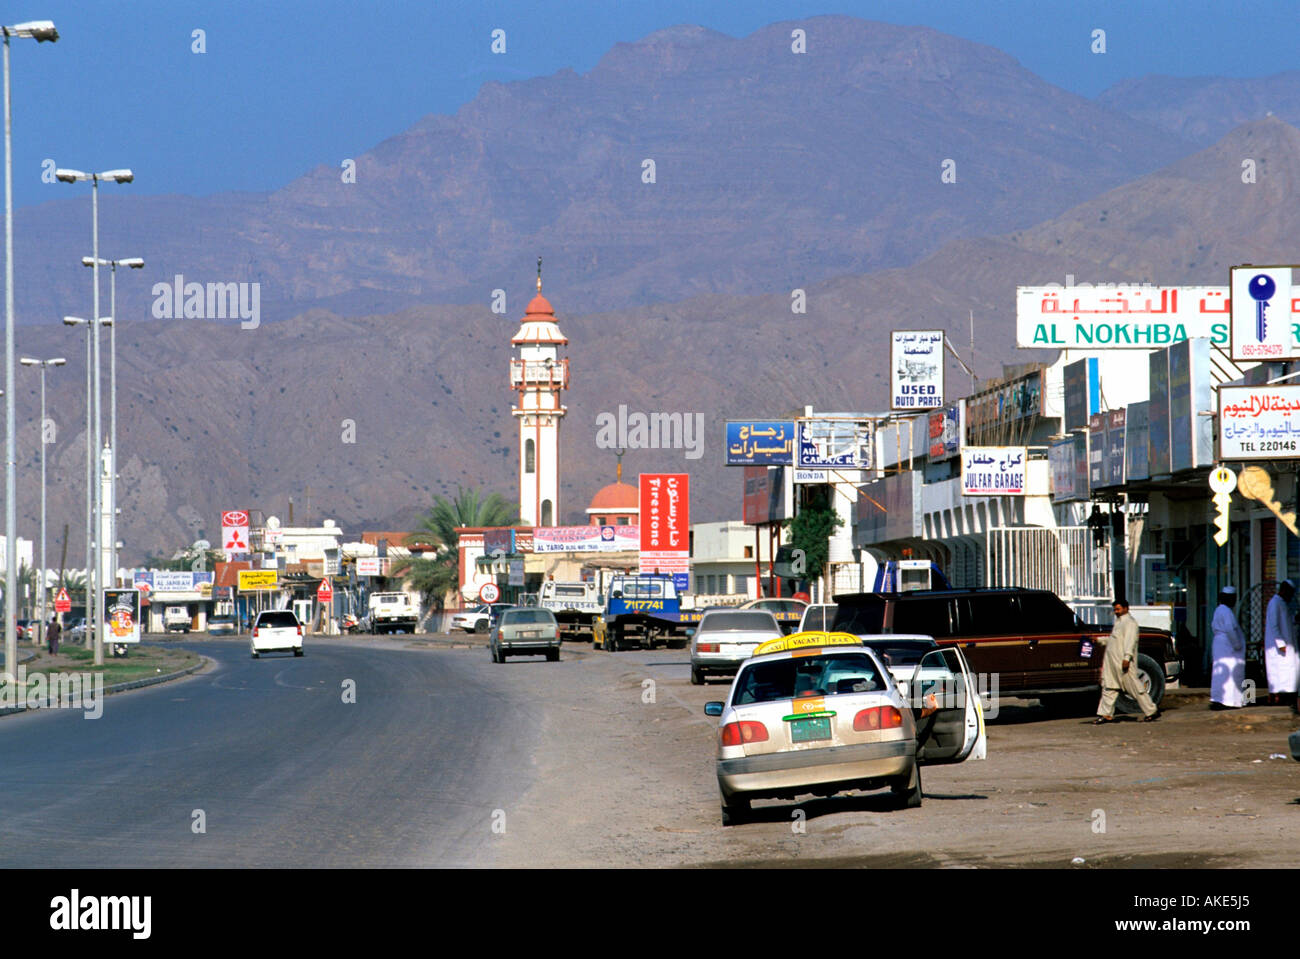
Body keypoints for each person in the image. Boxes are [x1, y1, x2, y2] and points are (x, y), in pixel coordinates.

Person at [1094, 598, 1160, 723]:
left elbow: (1130, 642)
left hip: (1123, 663)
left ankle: (1151, 711)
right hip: (1112, 663)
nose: (1116, 612)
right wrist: (1098, 640)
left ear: (1126, 608)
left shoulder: (1130, 623)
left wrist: (1127, 658)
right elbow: (1114, 640)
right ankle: (1105, 714)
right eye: (1115, 609)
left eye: (1118, 609)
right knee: (1109, 688)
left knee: (1135, 688)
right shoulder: (1119, 623)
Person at [1264, 580, 1300, 711]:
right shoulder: (1274, 603)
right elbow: (1274, 625)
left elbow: (1288, 622)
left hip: (1289, 646)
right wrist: (1280, 643)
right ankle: (1278, 699)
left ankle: (1288, 698)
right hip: (1279, 647)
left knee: (1290, 673)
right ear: (1284, 591)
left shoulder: (1282, 603)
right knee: (1280, 674)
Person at [1210, 586, 1247, 710]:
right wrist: (1237, 644)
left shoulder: (1219, 610)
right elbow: (1230, 629)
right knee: (1229, 674)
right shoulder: (1225, 611)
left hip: (1222, 645)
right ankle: (1227, 701)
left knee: (1221, 674)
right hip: (1228, 647)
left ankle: (1219, 699)